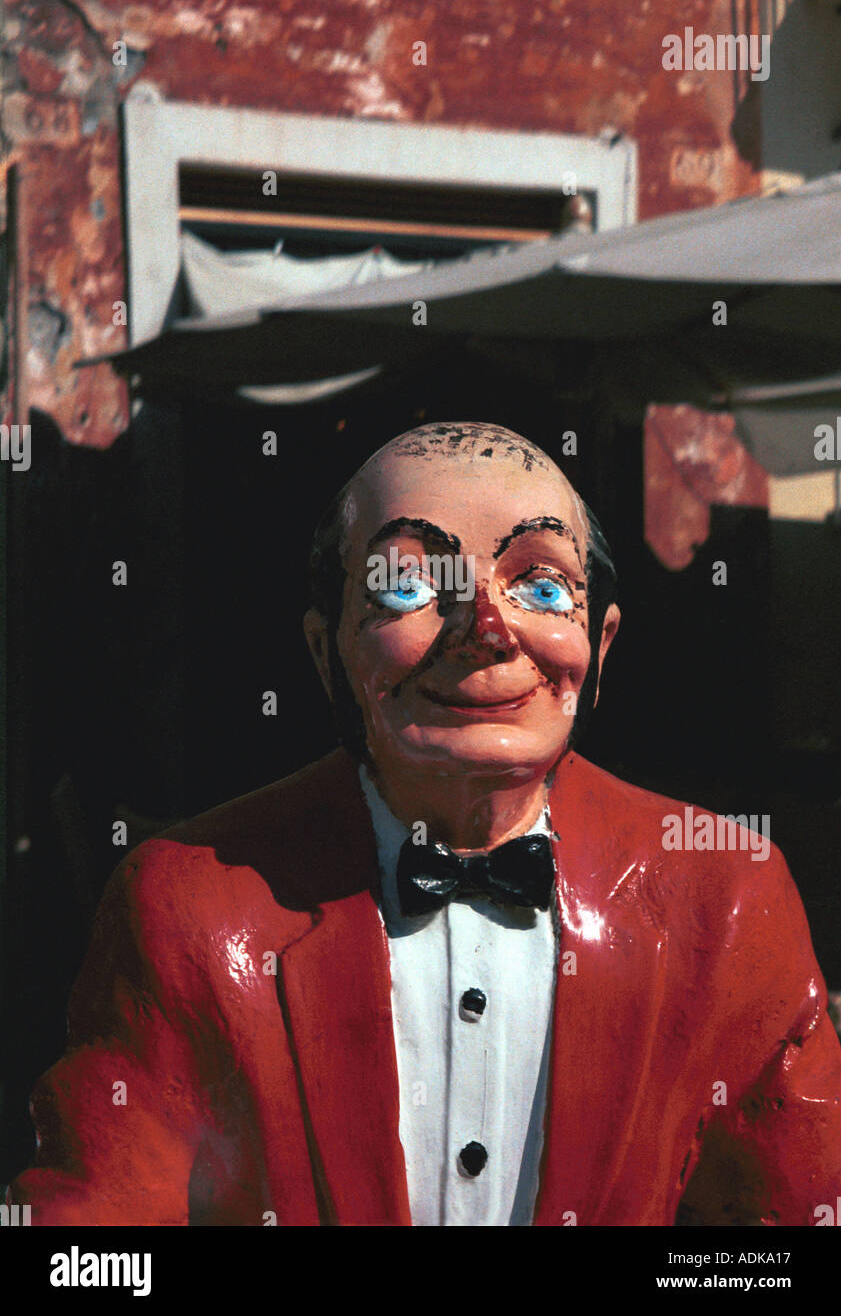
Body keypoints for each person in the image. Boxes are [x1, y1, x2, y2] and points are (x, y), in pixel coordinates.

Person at [8, 421, 841, 1226]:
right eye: (405, 585)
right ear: (324, 651)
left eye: (541, 586)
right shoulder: (185, 906)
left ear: (600, 644)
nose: (485, 630)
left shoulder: (725, 896)